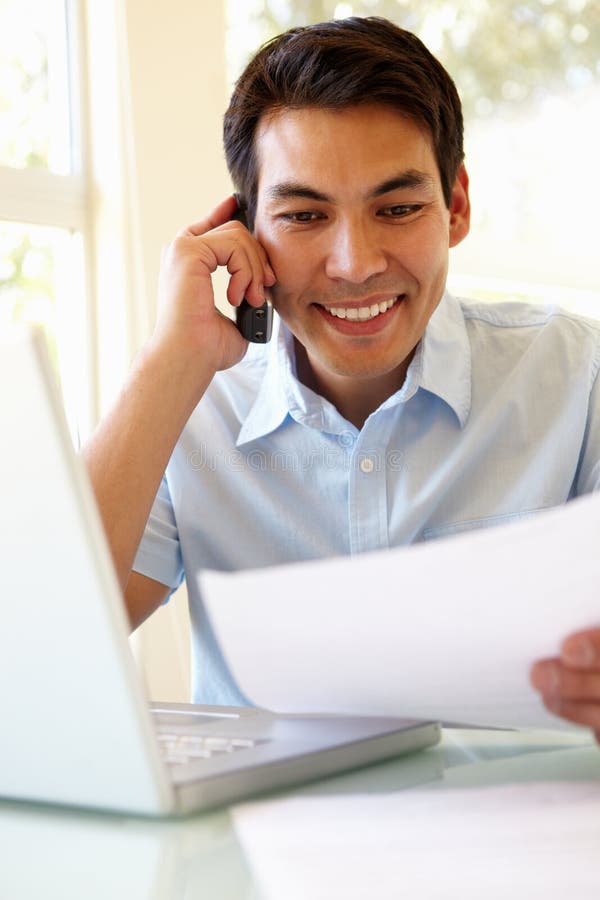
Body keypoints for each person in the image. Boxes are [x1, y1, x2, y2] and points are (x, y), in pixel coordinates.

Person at [83, 16, 600, 737]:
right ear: (244, 229)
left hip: (522, 826)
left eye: (398, 208)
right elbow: (46, 636)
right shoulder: (191, 407)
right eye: (303, 215)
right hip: (256, 840)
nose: (354, 264)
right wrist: (169, 359)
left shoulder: (577, 377)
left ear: (455, 207)